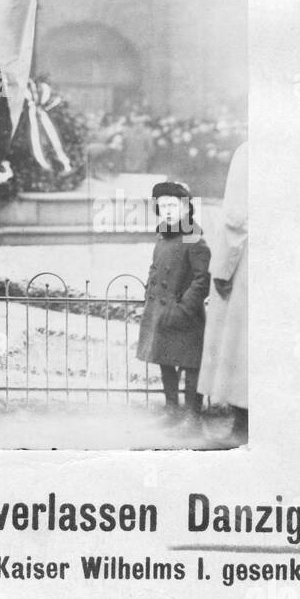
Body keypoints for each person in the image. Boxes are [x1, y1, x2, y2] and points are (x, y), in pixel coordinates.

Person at [136, 179, 211, 430]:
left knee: (191, 365)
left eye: (173, 205)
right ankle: (171, 409)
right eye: (163, 205)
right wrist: (149, 298)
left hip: (183, 312)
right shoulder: (163, 234)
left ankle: (192, 417)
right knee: (165, 361)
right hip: (160, 309)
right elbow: (155, 268)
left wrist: (184, 308)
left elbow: (202, 278)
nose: (167, 210)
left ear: (186, 207)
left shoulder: (192, 234)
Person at [198, 141, 249, 446]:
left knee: (240, 342)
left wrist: (223, 270)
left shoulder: (249, 152)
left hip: (248, 259)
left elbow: (236, 219)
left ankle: (243, 422)